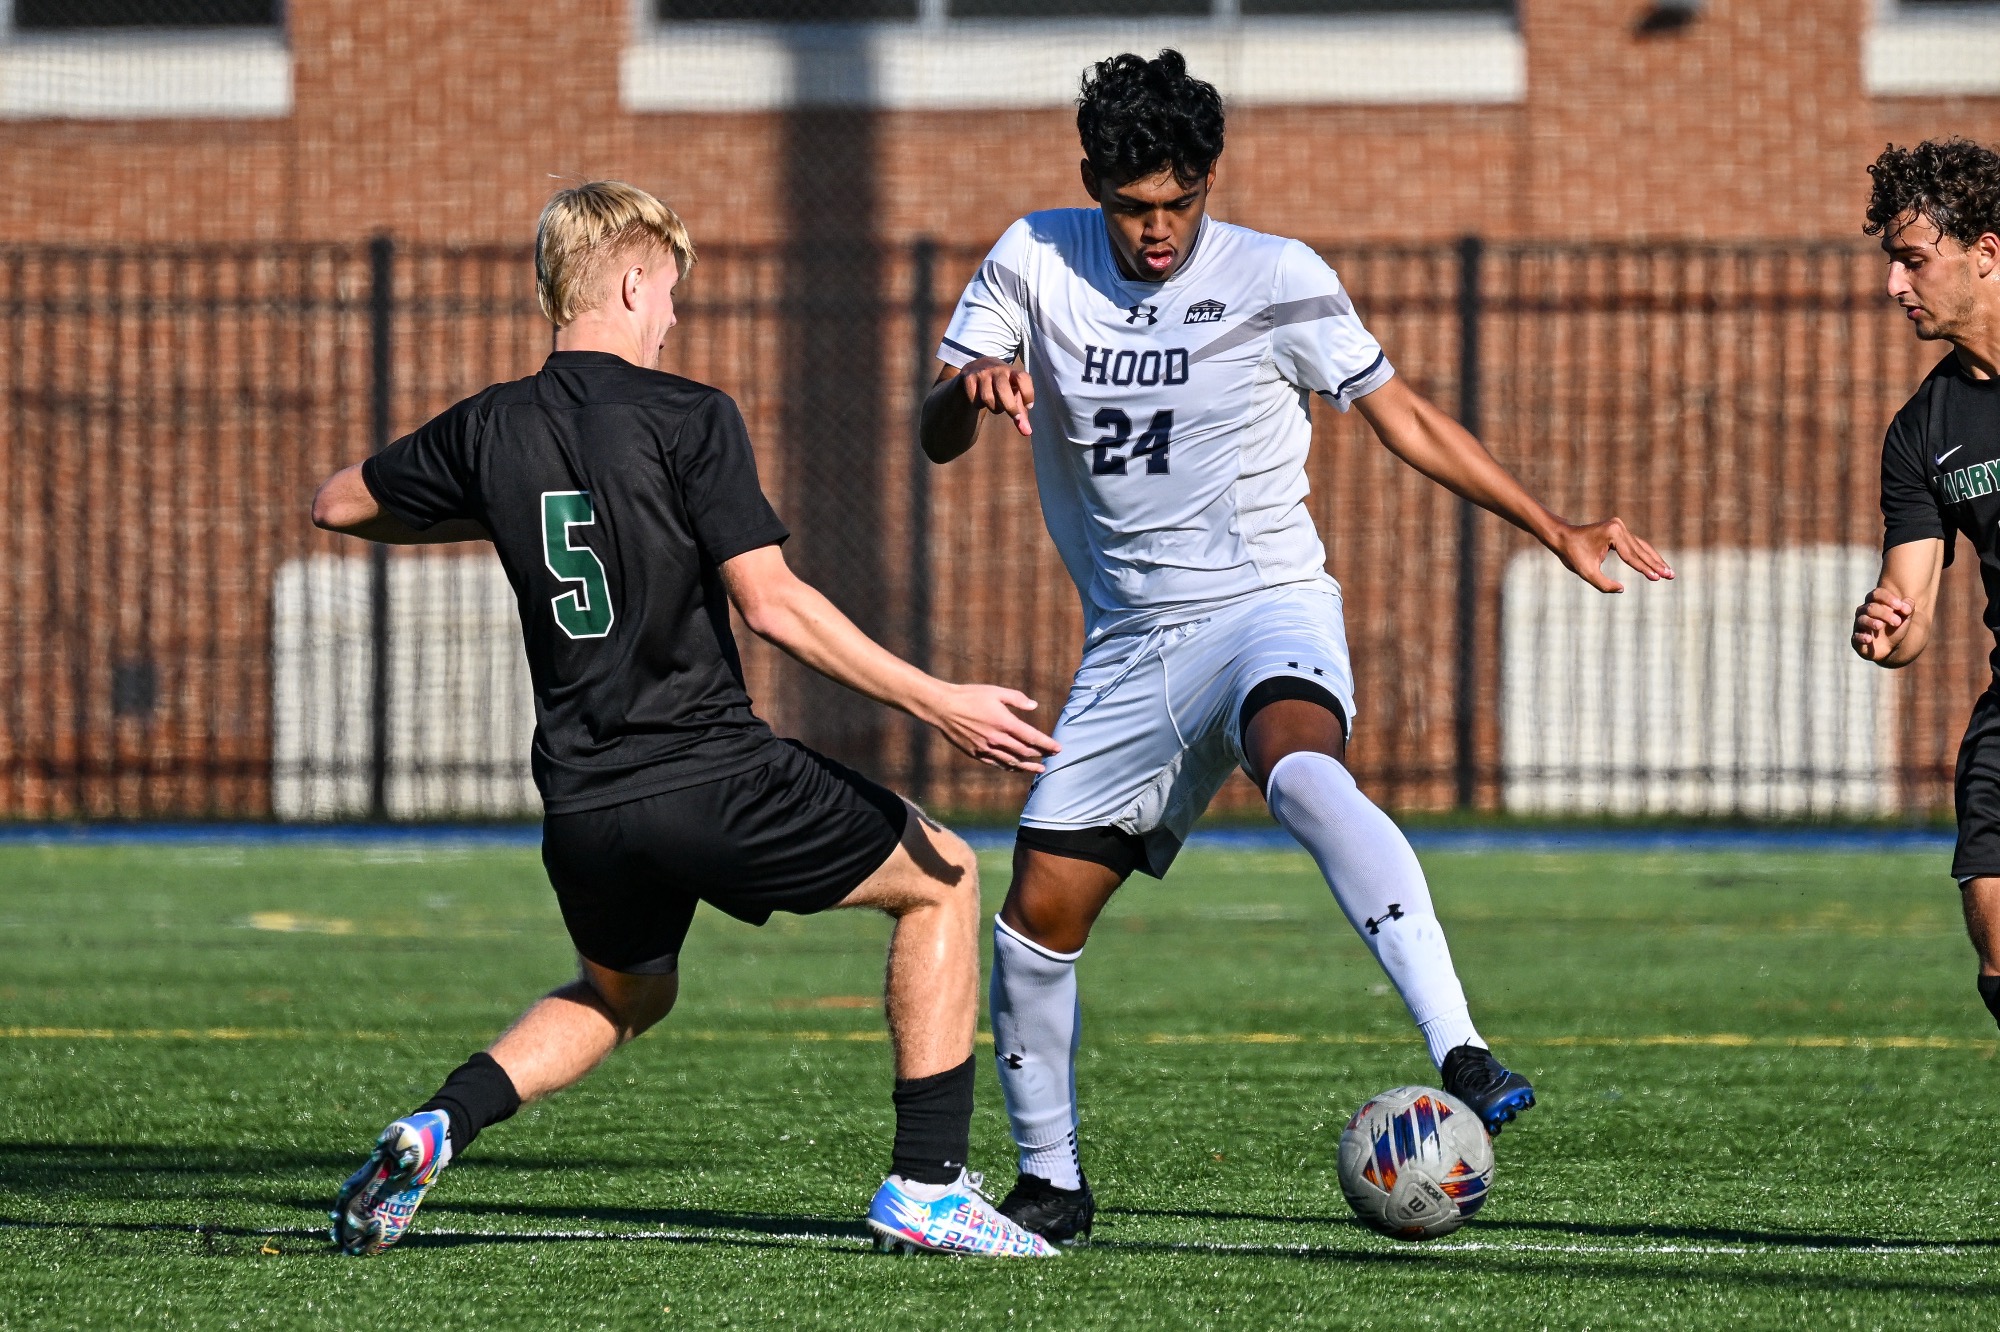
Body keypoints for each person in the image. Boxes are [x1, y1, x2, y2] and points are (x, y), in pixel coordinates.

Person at [921, 51, 1673, 1244]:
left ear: (1209, 180)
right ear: (1092, 183)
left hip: (1263, 604)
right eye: (1132, 205)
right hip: (1127, 647)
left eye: (1178, 202)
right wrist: (968, 390)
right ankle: (1050, 1183)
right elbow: (933, 429)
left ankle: (1459, 1047)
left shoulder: (1276, 274)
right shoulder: (1031, 256)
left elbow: (1401, 416)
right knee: (1032, 924)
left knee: (1301, 767)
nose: (1157, 229)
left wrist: (1551, 526)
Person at [313, 180, 1059, 1259]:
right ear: (629, 281)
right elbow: (772, 604)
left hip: (583, 801)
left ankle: (441, 1124)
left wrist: (504, 515)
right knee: (941, 876)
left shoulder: (489, 424)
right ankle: (929, 1186)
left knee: (626, 994)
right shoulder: (688, 415)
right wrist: (939, 700)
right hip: (709, 772)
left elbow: (339, 502)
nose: (671, 316)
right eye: (668, 291)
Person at [1851, 138, 2000, 1045]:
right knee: (1996, 937)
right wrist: (1885, 627)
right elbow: (1909, 609)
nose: (1894, 285)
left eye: (1913, 260)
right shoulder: (1923, 430)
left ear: (1985, 251)